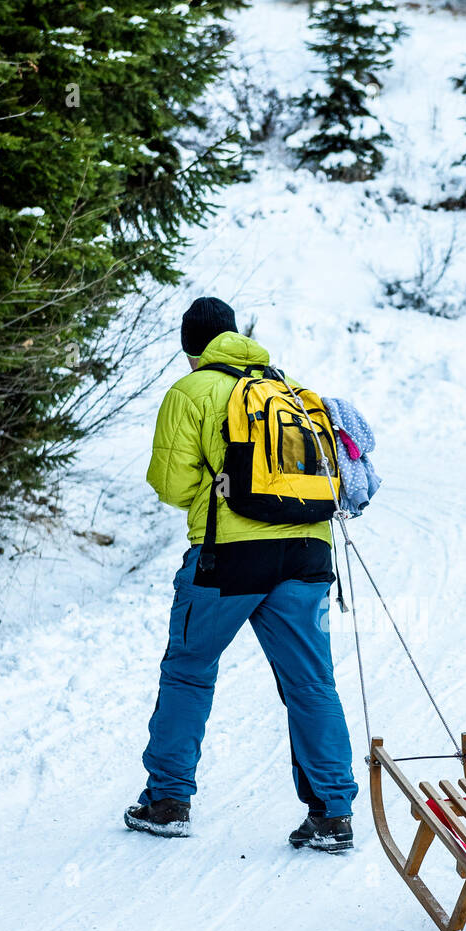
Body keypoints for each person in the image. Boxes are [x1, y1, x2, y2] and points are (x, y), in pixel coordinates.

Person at [124, 297, 358, 851]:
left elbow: (173, 487)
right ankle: (331, 815)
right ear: (233, 335)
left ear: (190, 347)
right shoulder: (290, 388)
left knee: (188, 670)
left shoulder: (192, 390)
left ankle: (166, 802)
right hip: (308, 552)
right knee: (310, 683)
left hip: (228, 559)